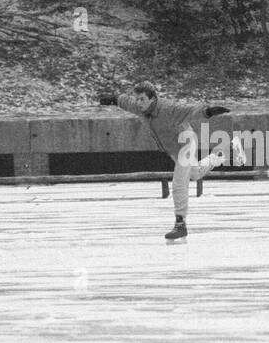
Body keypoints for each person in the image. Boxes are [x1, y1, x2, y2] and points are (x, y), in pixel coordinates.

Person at [98, 81, 244, 241]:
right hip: (173, 148)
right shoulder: (141, 107)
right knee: (195, 174)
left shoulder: (168, 109)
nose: (138, 103)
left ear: (152, 99)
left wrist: (208, 111)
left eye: (142, 99)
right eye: (137, 99)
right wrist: (113, 99)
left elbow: (189, 110)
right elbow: (126, 102)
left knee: (179, 182)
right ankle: (226, 150)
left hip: (186, 142)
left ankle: (180, 224)